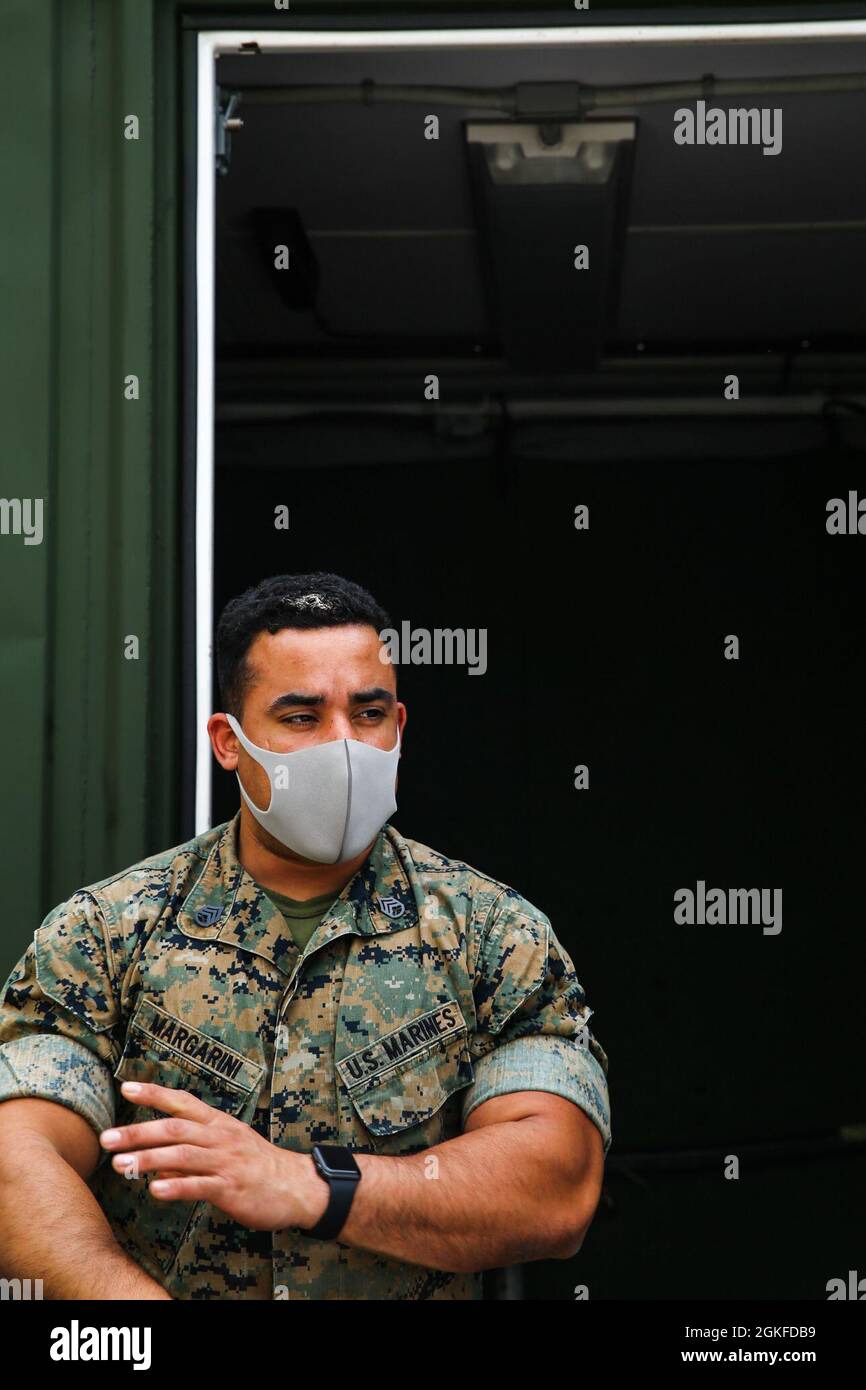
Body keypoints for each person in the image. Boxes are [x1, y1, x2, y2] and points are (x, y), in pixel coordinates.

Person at [0, 572, 611, 1300]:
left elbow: (557, 1184)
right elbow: (16, 1159)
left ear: (399, 728)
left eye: (369, 712)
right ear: (229, 743)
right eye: (301, 717)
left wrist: (312, 1186)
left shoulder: (494, 935)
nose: (344, 745)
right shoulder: (107, 933)